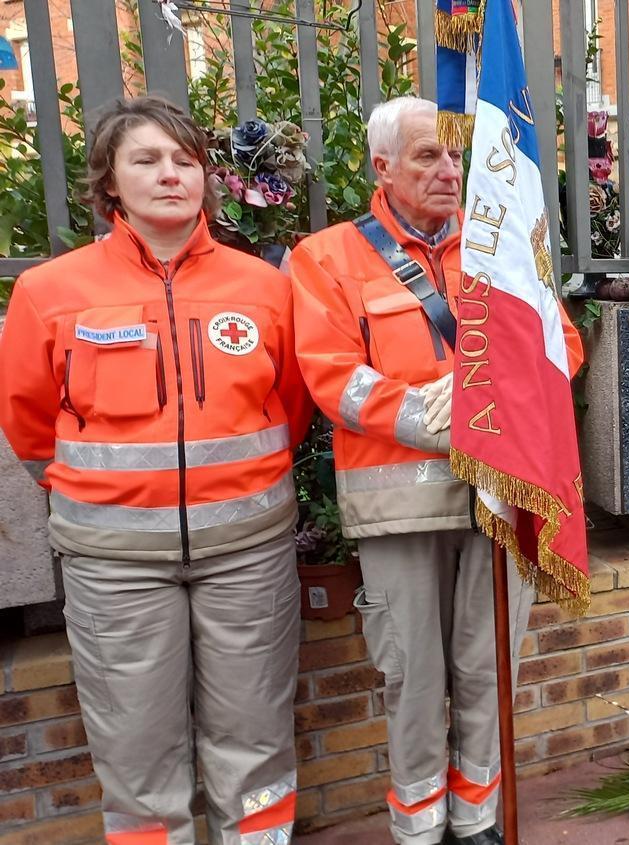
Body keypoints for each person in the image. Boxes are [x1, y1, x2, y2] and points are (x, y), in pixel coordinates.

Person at [0, 96, 312, 844]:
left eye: (185, 160)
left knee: (258, 738)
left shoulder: (265, 287)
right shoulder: (49, 293)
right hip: (114, 567)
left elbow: (290, 407)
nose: (170, 174)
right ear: (109, 181)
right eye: (146, 159)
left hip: (248, 554)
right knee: (136, 752)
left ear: (205, 177)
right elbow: (29, 422)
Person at [290, 96, 582, 845]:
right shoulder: (325, 258)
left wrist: (501, 399)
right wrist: (446, 413)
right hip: (400, 506)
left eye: (456, 155)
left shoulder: (503, 246)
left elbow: (565, 347)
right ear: (381, 167)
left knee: (489, 669)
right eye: (427, 156)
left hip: (503, 496)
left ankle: (478, 818)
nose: (449, 171)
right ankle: (420, 827)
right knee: (414, 677)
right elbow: (332, 378)